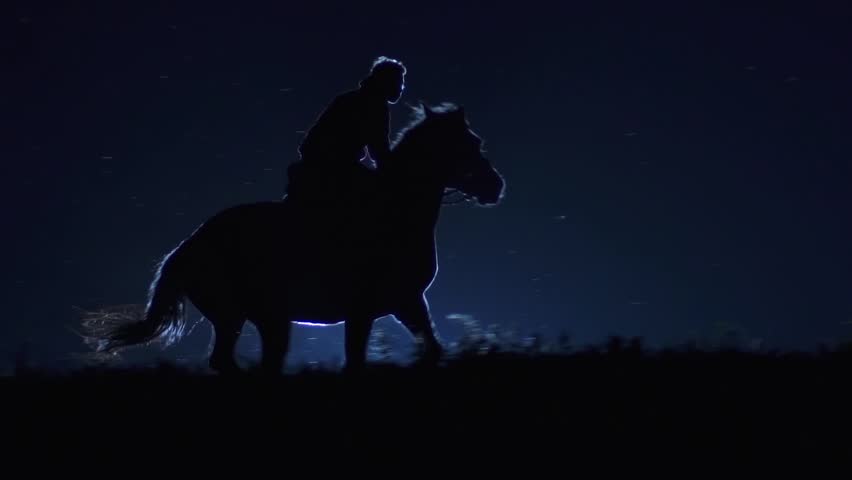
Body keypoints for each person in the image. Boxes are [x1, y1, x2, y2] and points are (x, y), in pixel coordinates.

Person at [286, 56, 406, 208]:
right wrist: (396, 173)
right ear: (387, 81)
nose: (401, 89)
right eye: (399, 83)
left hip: (320, 158)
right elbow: (379, 149)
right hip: (333, 163)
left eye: (402, 85)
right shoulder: (374, 105)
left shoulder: (351, 98)